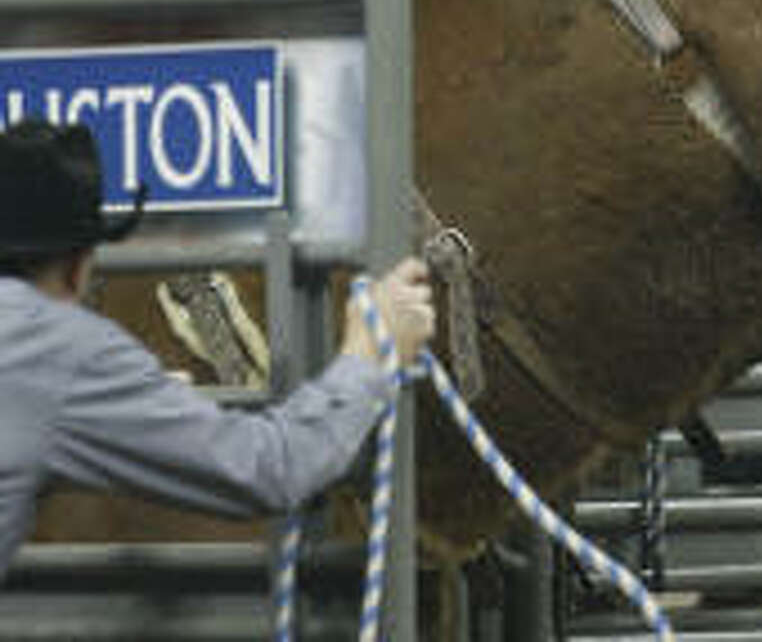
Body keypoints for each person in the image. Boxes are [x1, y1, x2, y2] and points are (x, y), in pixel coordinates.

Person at [0, 118, 435, 581]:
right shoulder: (62, 353)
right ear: (78, 266)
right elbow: (272, 468)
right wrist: (368, 352)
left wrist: (128, 406)